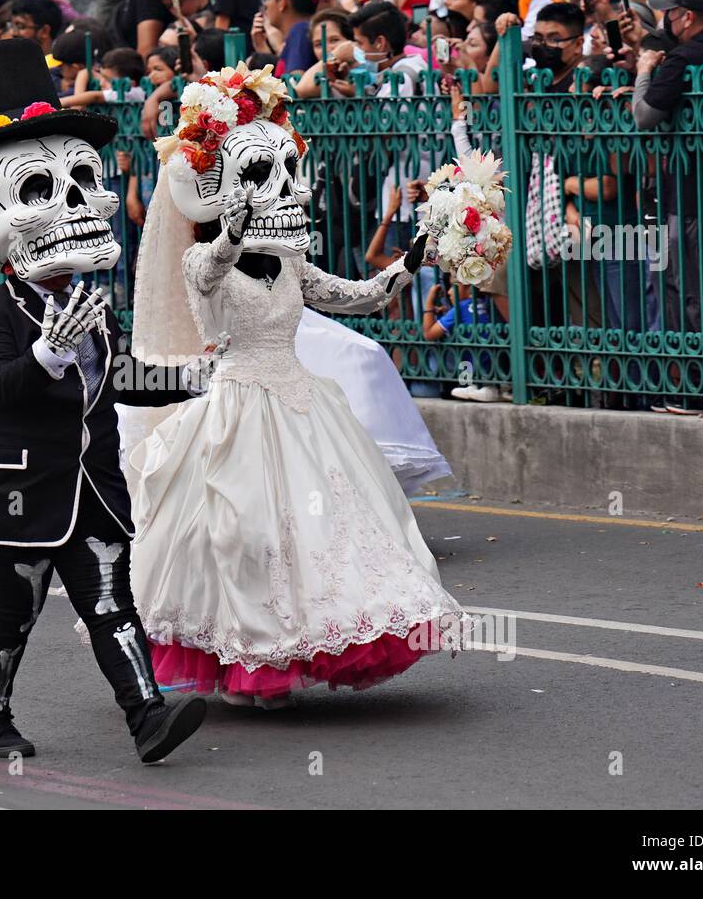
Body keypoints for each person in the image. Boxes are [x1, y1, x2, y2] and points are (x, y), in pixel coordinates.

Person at [0, 39, 213, 763]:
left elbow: (115, 383)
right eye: (41, 190)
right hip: (19, 489)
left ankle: (148, 716)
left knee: (111, 605)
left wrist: (196, 379)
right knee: (13, 615)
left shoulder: (90, 304)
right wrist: (44, 354)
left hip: (93, 491)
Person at [128, 62, 461, 704]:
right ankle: (244, 660)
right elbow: (217, 259)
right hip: (238, 409)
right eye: (259, 176)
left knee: (327, 531)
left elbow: (359, 296)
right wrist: (234, 220)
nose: (284, 191)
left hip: (303, 406)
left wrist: (412, 258)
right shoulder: (206, 263)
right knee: (242, 533)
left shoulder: (290, 262)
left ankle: (301, 646)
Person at [633, 0, 703, 402]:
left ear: (687, 16)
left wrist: (644, 72)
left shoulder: (685, 58)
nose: (666, 18)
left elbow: (644, 117)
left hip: (694, 195)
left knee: (692, 293)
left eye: (671, 11)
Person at [254, 0, 320, 76]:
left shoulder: (299, 32)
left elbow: (293, 86)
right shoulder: (305, 30)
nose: (266, 5)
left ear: (282, 2)